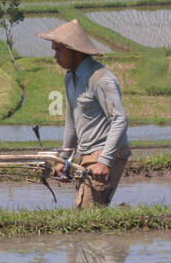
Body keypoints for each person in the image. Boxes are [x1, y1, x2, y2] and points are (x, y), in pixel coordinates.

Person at [36, 20, 131, 208]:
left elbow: (119, 119)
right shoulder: (70, 77)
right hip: (85, 153)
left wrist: (104, 161)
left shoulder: (100, 79)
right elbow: (71, 122)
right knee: (88, 210)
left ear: (75, 51)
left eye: (59, 50)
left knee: (87, 211)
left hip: (105, 152)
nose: (55, 56)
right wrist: (64, 158)